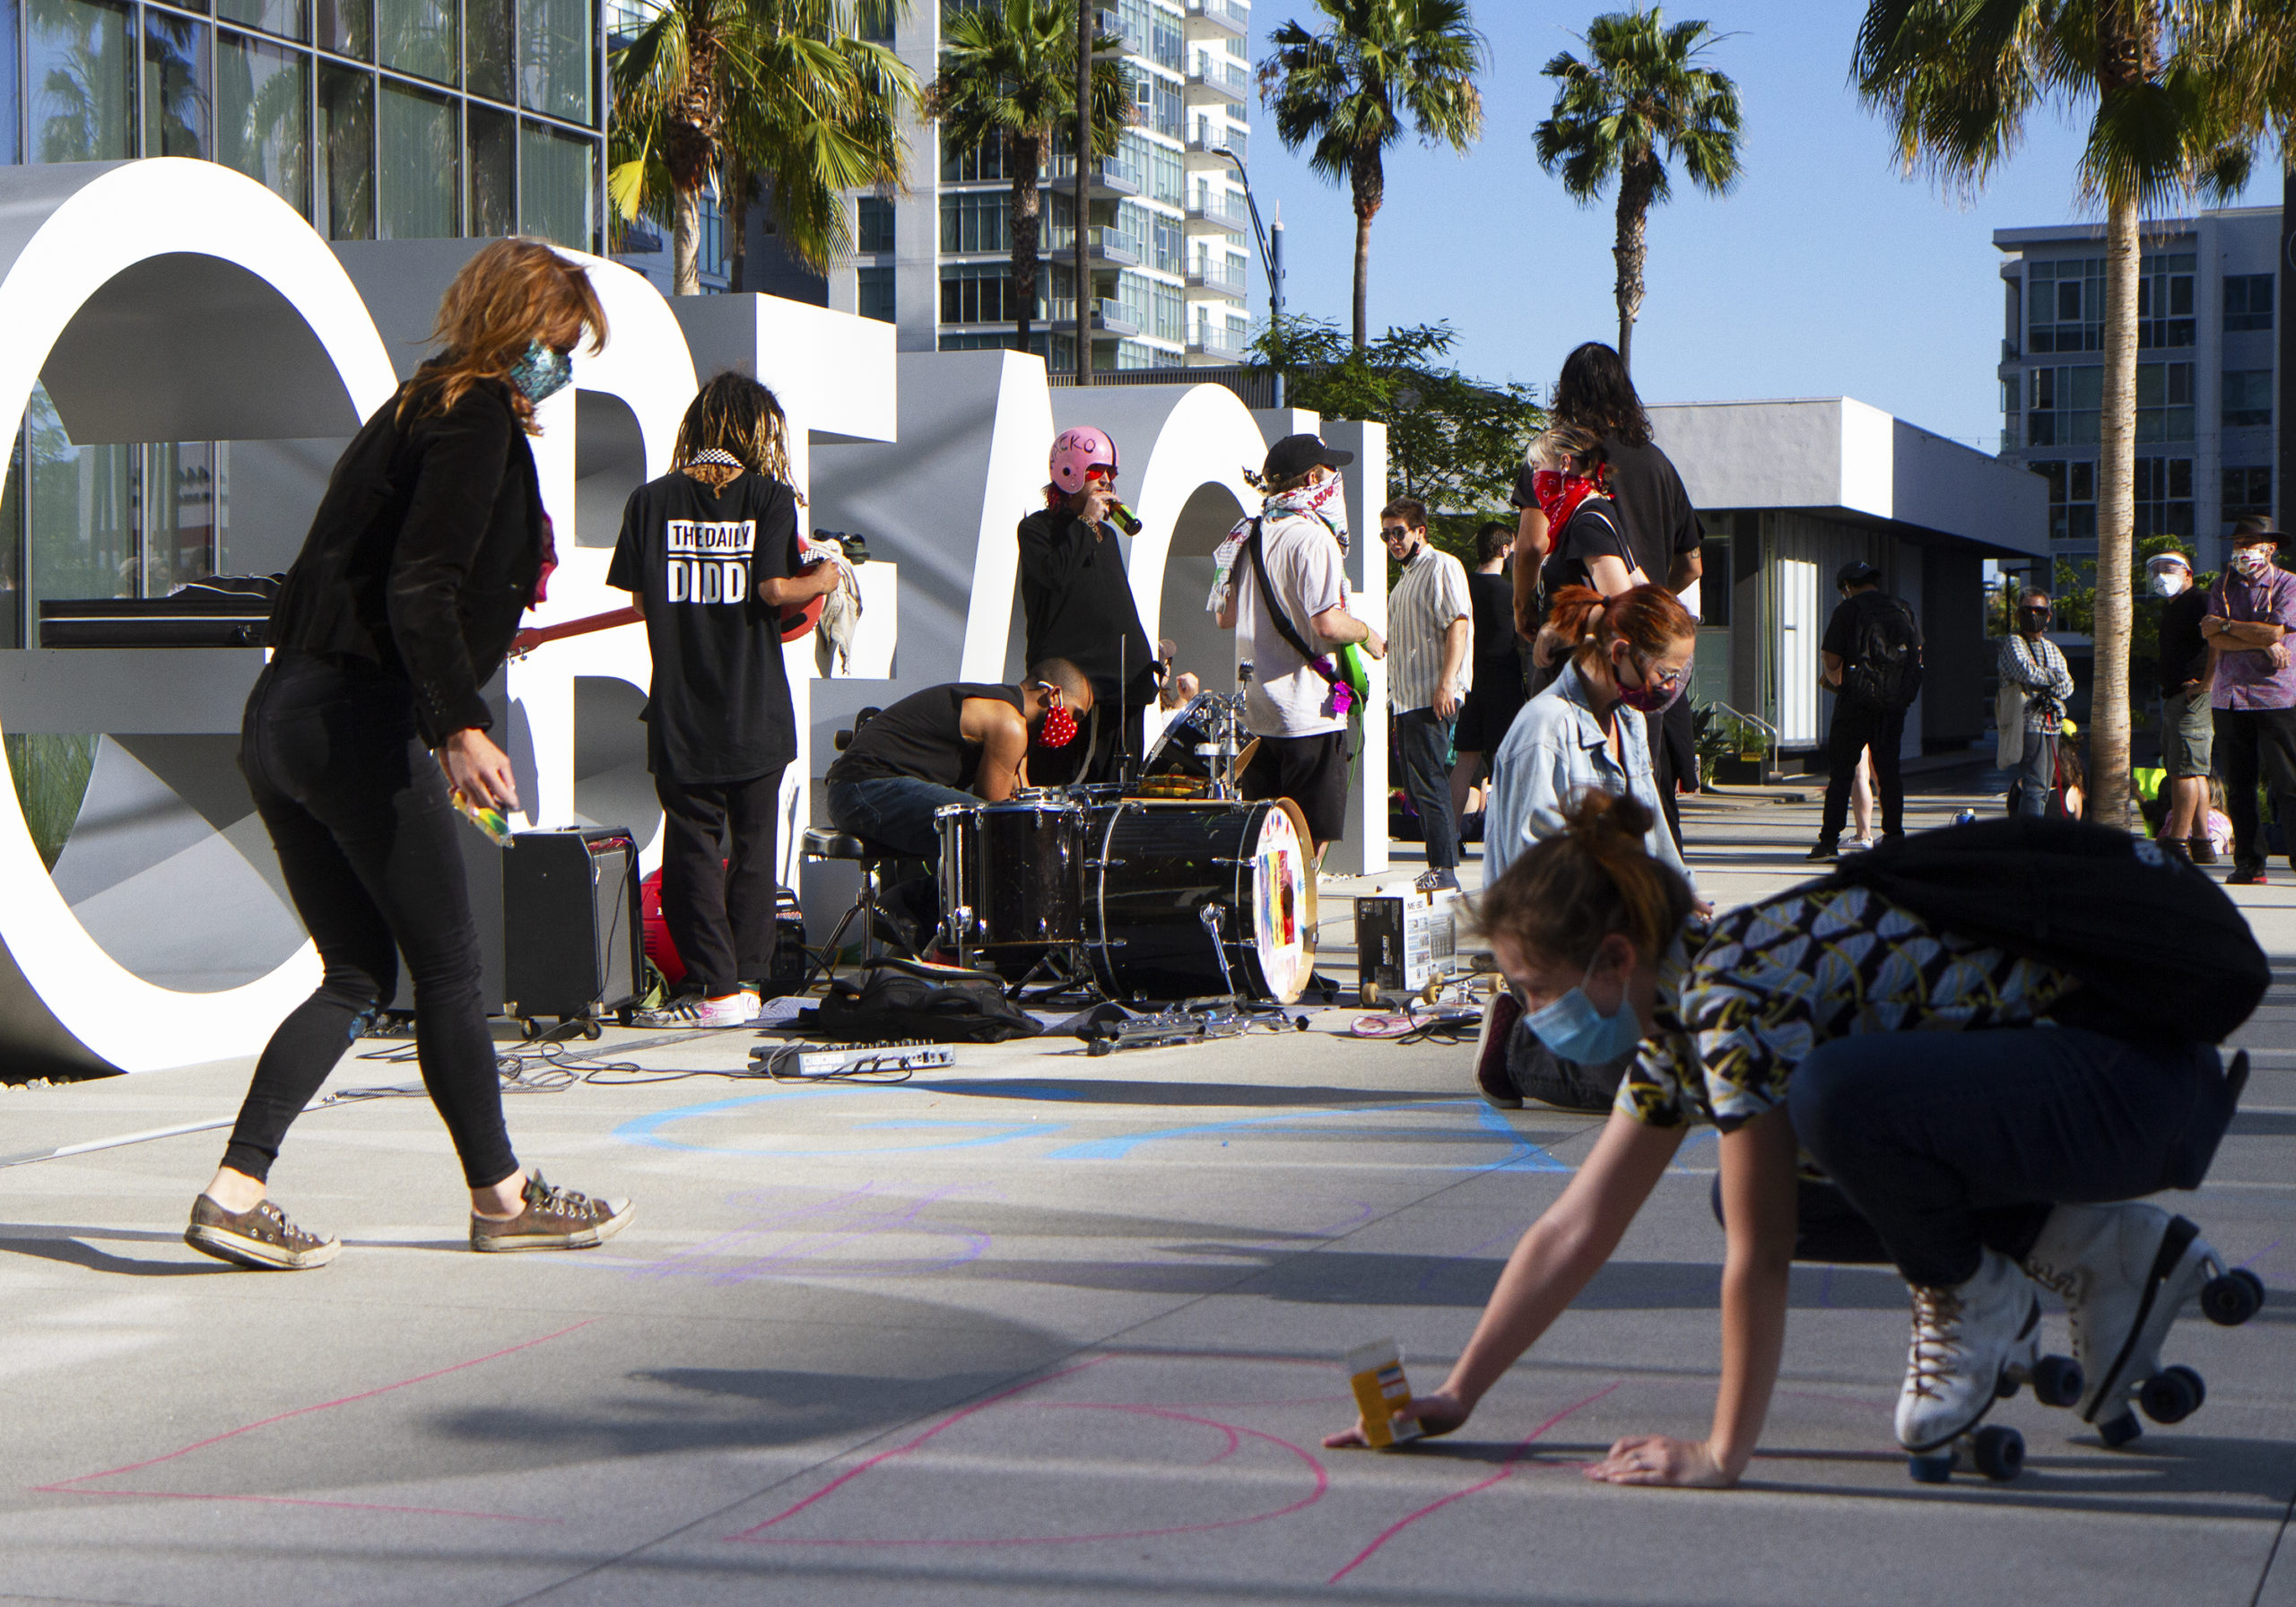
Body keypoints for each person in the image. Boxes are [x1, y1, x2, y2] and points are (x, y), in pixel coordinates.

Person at [1333, 790, 2245, 1486]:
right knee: (1747, 1183)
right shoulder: (1687, 1011)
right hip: (2100, 1093)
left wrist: (1720, 1451)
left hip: (2132, 1086)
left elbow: (1761, 1254)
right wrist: (1460, 1390)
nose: (1528, 1016)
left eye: (1533, 989)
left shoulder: (1734, 990)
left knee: (1834, 1102)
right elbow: (1577, 1226)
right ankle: (2093, 1251)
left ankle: (1970, 1290)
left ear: (1614, 959)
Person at [187, 239, 631, 1273]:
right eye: (559, 342)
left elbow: (387, 575)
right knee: (447, 962)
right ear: (517, 328)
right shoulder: (474, 419)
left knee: (356, 969)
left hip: (283, 715)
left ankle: (234, 1189)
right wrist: (457, 721)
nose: (562, 365)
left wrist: (469, 657)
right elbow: (420, 585)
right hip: (358, 714)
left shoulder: (411, 410)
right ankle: (504, 1198)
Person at [607, 373, 839, 1028]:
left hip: (683, 708)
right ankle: (748, 984)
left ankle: (714, 988)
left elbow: (642, 601)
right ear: (749, 430)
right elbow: (772, 591)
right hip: (756, 707)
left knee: (693, 853)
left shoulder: (648, 501)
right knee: (756, 851)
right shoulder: (768, 497)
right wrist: (824, 573)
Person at [1474, 585, 1700, 1115]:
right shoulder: (1543, 728)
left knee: (1721, 1039)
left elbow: (1653, 834)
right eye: (1666, 673)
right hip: (1564, 945)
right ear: (1619, 653)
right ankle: (1516, 1046)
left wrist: (1680, 901)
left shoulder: (1629, 720)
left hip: (1627, 935)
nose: (1670, 687)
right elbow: (1530, 879)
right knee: (1661, 1090)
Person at [1512, 342, 1705, 835]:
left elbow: (1533, 544)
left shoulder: (1560, 462)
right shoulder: (1658, 464)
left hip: (1578, 647)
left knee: (1560, 796)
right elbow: (1692, 563)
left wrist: (1526, 609)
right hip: (1641, 655)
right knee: (1641, 785)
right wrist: (1655, 604)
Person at [1213, 432, 1387, 865]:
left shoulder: (1244, 534)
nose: (1335, 479)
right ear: (1313, 478)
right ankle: (1298, 925)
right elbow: (1327, 622)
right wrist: (1367, 633)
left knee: (1267, 842)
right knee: (1306, 845)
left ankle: (1270, 925)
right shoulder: (1313, 537)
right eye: (1331, 471)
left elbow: (1224, 617)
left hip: (1258, 713)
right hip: (1309, 712)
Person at [823, 660, 1095, 866]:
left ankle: (916, 920)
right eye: (1076, 715)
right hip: (859, 791)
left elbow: (1022, 799)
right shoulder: (1008, 724)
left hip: (866, 790)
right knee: (991, 829)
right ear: (1054, 695)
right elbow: (997, 813)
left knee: (1004, 832)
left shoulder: (1014, 722)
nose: (1072, 726)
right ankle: (915, 913)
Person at [1017, 427, 1156, 786]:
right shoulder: (1037, 529)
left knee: (1118, 785)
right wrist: (1086, 522)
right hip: (1073, 684)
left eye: (1112, 473)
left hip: (1122, 684)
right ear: (1070, 472)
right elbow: (1055, 574)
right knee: (1066, 781)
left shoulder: (1105, 535)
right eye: (1098, 472)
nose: (1107, 481)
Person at [1381, 496, 1474, 892]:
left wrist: (1447, 683)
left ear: (1420, 531)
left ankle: (1445, 868)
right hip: (1407, 699)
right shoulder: (1405, 579)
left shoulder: (1441, 565)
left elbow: (1458, 623)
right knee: (1419, 785)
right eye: (1386, 535)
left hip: (1431, 695)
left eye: (1398, 532)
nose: (1392, 541)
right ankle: (1440, 865)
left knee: (1431, 781)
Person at [2204, 517, 2296, 886]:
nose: (2242, 549)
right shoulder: (2222, 585)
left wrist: (2232, 627)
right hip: (2228, 697)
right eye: (2239, 542)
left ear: (2269, 547)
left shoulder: (2288, 584)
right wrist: (2257, 639)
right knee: (2239, 785)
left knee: (2288, 781)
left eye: (2251, 542)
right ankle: (2249, 863)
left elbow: (2276, 629)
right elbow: (2213, 638)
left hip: (2274, 695)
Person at [1810, 560, 1923, 861]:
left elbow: (1832, 660)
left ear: (1847, 586)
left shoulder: (1847, 610)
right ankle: (1895, 837)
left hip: (1855, 704)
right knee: (1889, 773)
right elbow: (1917, 655)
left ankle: (1828, 842)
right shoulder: (1903, 609)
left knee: (1842, 775)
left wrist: (1840, 682)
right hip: (1893, 704)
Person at [1450, 519, 1526, 826]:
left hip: (1469, 681)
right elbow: (1523, 635)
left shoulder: (1462, 588)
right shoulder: (1510, 593)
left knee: (1465, 760)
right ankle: (1509, 835)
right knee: (1506, 760)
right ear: (1504, 549)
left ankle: (1451, 835)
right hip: (1504, 682)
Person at [2150, 549, 2214, 863]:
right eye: (2156, 569)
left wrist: (2207, 683)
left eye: (2170, 568)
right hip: (2177, 696)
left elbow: (2219, 639)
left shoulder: (2200, 600)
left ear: (2188, 573)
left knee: (2183, 771)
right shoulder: (2172, 608)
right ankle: (2202, 842)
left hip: (2192, 697)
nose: (2162, 575)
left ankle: (2178, 840)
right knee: (2193, 771)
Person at [1997, 588, 2074, 818]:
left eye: (2039, 610)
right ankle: (2030, 837)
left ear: (2048, 615)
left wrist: (2048, 680)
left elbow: (2068, 685)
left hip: (2052, 723)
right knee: (2035, 784)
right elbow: (2026, 672)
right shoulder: (2013, 642)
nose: (2033, 614)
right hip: (2027, 722)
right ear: (2018, 614)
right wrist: (2053, 677)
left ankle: (2034, 832)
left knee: (2045, 786)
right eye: (2027, 610)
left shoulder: (2051, 648)